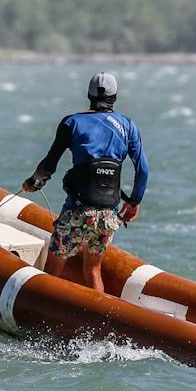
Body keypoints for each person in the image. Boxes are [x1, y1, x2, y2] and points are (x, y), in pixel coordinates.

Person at [22, 71, 149, 294]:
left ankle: (40, 310)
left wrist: (34, 182)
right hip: (108, 215)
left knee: (51, 271)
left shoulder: (72, 122)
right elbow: (143, 170)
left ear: (89, 95)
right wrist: (134, 201)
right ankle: (99, 314)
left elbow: (50, 164)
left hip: (77, 211)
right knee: (93, 270)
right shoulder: (128, 126)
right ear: (114, 97)